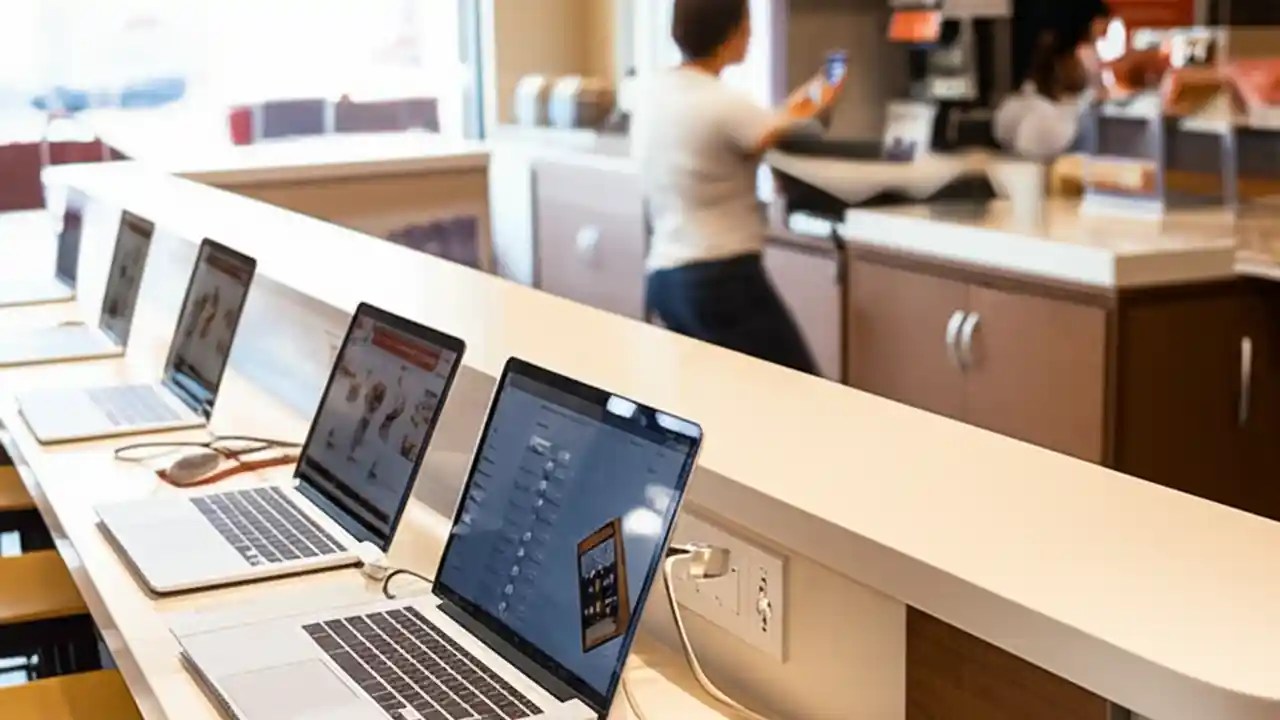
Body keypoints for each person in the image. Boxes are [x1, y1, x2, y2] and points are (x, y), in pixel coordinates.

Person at [633, 0, 843, 374]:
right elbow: (775, 131)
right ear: (730, 32)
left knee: (714, 401)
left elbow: (763, 124)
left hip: (666, 280)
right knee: (801, 393)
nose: (751, 33)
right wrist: (820, 103)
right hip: (720, 281)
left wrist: (796, 105)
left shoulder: (656, 94)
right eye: (747, 23)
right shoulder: (721, 102)